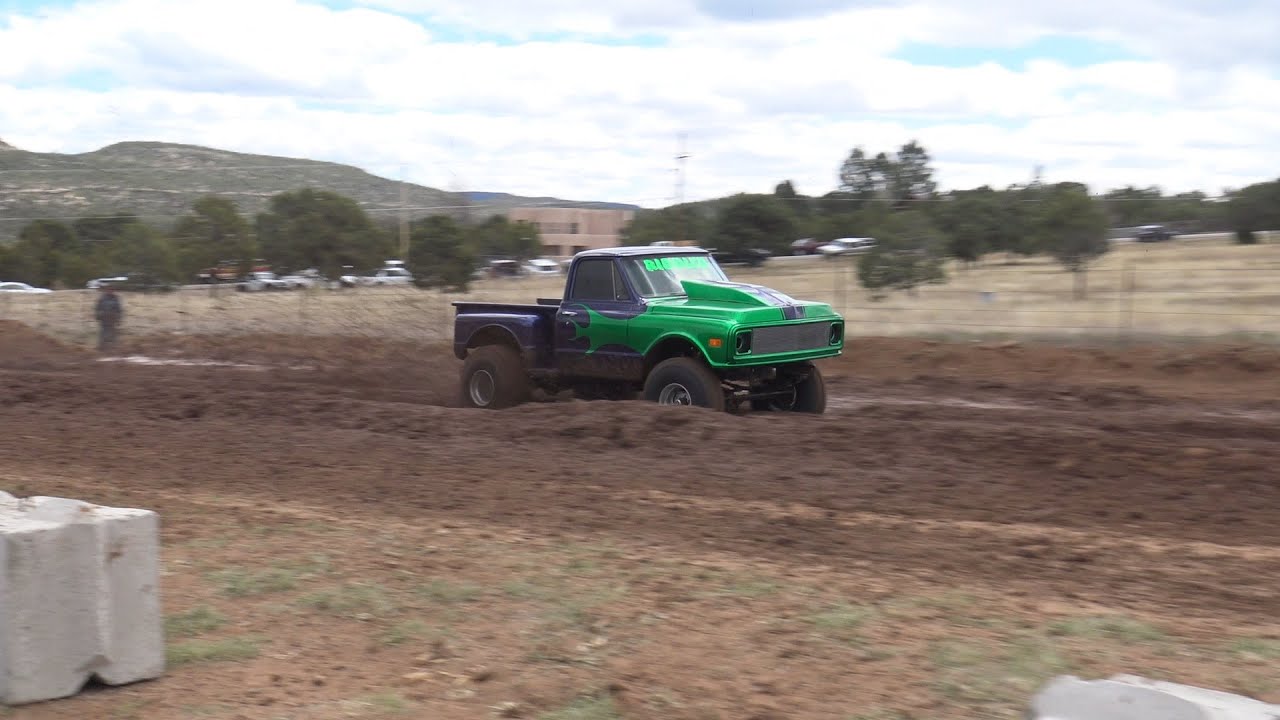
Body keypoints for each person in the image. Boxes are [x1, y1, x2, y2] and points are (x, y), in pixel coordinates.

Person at [94, 285, 123, 351]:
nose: (110, 291)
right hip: (104, 318)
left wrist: (119, 319)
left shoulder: (116, 298)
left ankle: (113, 347)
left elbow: (119, 309)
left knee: (113, 333)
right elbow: (97, 308)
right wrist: (97, 315)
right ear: (106, 290)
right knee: (103, 332)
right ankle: (101, 347)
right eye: (109, 290)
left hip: (113, 318)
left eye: (112, 290)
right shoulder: (102, 298)